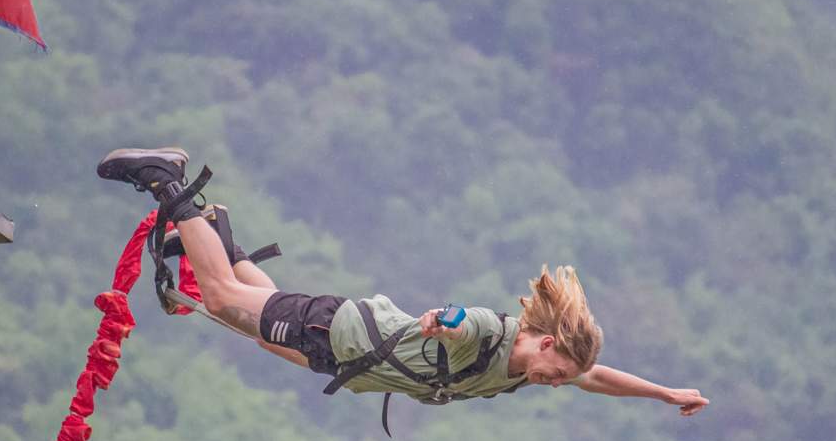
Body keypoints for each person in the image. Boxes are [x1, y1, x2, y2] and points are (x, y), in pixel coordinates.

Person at [98, 147, 709, 423]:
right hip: (337, 331)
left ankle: (218, 239)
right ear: (546, 342)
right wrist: (441, 321)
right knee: (224, 300)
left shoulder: (535, 368)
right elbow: (460, 320)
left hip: (340, 355)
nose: (557, 382)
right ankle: (166, 180)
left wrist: (663, 393)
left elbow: (598, 378)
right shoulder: (494, 335)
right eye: (558, 371)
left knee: (255, 330)